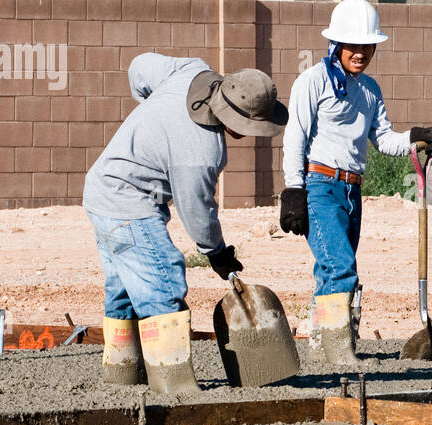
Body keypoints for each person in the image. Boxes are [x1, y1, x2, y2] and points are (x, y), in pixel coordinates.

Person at [83, 53, 287, 393]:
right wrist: (217, 252)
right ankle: (174, 386)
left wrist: (156, 117)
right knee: (162, 281)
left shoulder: (191, 71)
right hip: (128, 202)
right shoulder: (201, 150)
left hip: (101, 192)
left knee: (124, 290)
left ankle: (122, 376)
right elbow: (197, 212)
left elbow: (139, 66)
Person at [279, 0, 432, 362]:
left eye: (367, 46)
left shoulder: (369, 89)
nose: (361, 53)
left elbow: (383, 139)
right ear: (337, 44)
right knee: (341, 268)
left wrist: (416, 137)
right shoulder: (312, 81)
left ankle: (322, 349)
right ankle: (340, 352)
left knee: (329, 270)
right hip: (319, 187)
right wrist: (293, 190)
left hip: (352, 190)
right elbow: (295, 137)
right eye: (353, 45)